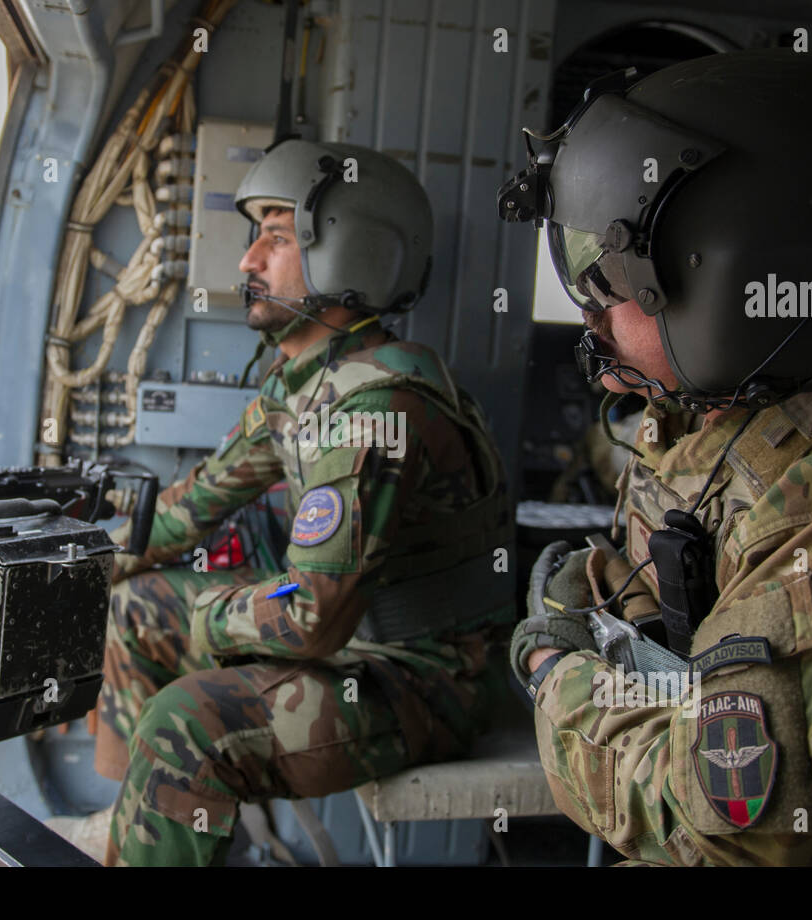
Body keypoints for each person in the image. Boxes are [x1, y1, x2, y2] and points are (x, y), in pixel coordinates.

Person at [500, 49, 812, 865]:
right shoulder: (755, 398)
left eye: (611, 281)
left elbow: (722, 821)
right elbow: (669, 591)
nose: (591, 320)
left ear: (740, 276)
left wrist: (559, 665)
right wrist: (599, 613)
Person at [93, 138, 514, 865]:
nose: (249, 262)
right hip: (354, 643)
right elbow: (186, 511)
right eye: (255, 237)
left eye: (277, 238)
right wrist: (90, 564)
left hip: (420, 678)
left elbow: (310, 618)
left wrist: (206, 619)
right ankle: (132, 831)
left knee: (185, 722)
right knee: (134, 610)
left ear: (349, 256)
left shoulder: (375, 411)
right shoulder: (304, 389)